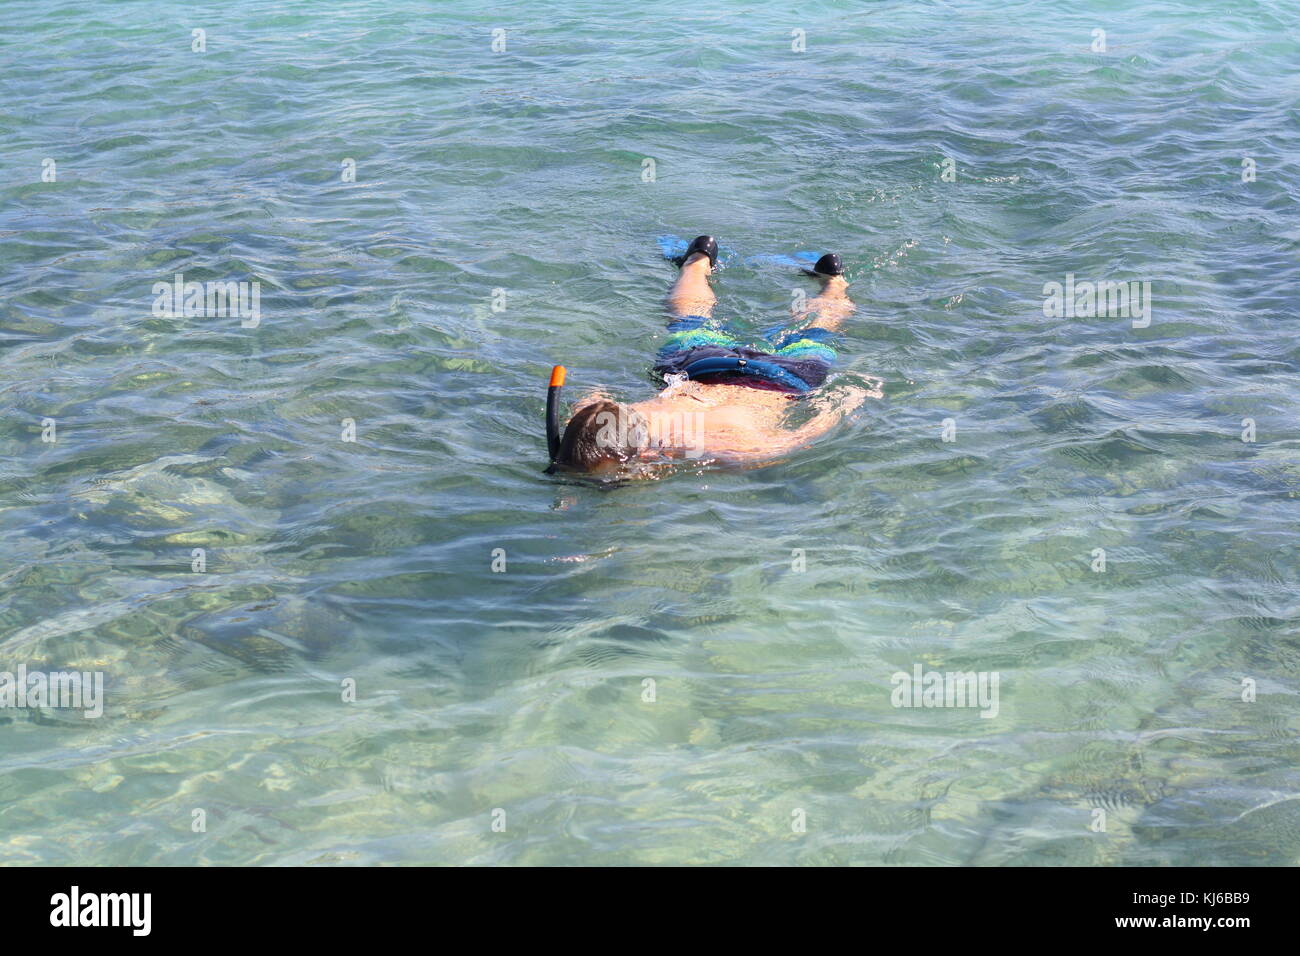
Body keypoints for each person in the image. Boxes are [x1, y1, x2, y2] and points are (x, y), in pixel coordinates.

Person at [548, 236, 879, 477]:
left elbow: (789, 443)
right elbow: (594, 402)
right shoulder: (622, 418)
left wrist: (842, 405)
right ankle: (699, 259)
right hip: (699, 367)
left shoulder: (716, 446)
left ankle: (834, 285)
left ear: (645, 455)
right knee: (689, 320)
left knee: (814, 335)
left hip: (781, 380)